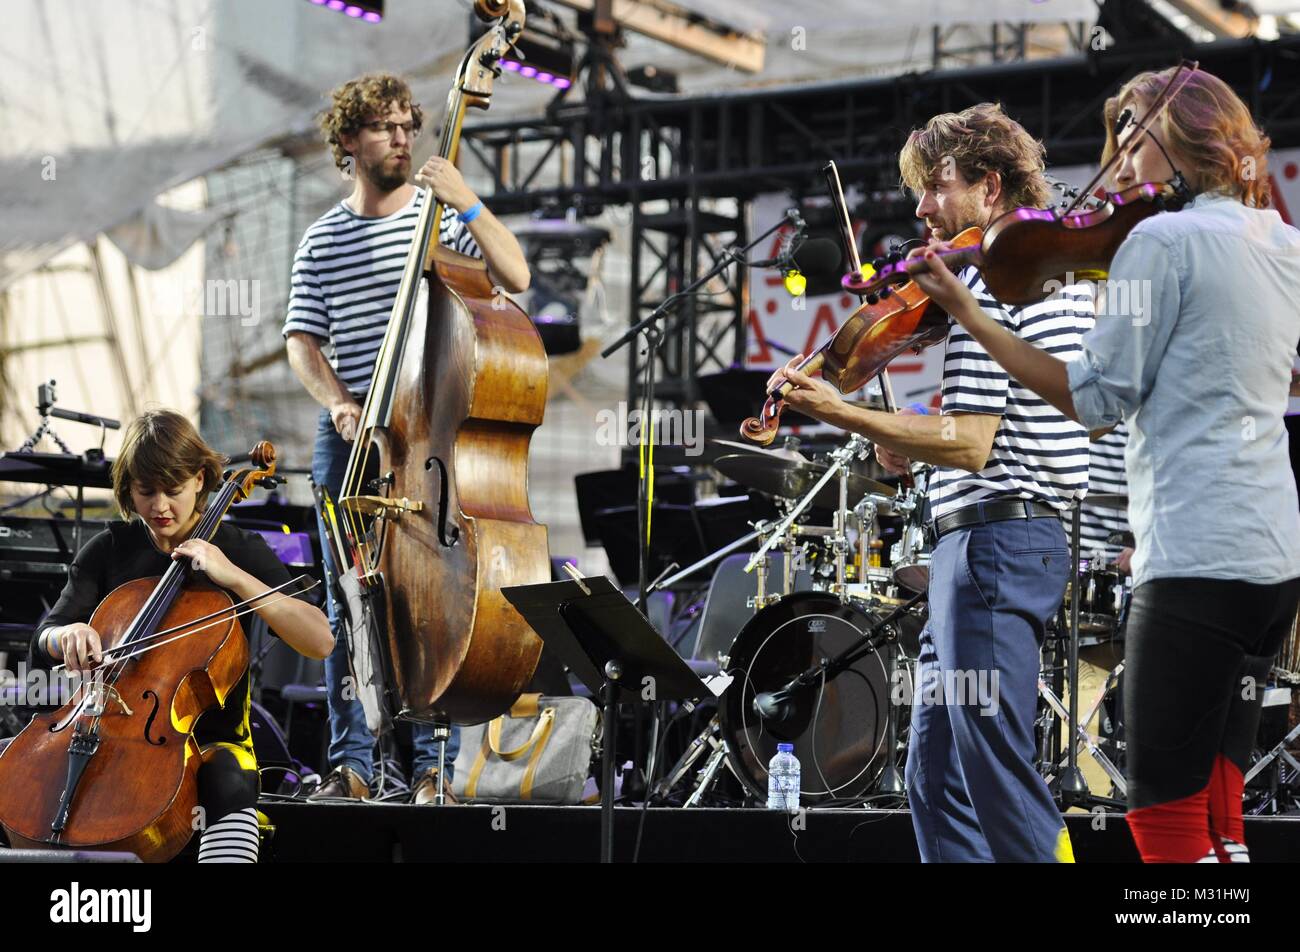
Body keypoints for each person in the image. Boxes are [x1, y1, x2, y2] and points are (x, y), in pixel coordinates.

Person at [906, 67, 1300, 862]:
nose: (1119, 161)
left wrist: (969, 311)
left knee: (1168, 823)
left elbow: (1093, 401)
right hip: (1274, 557)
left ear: (1178, 140)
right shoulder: (1285, 245)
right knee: (1224, 820)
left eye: (1132, 137)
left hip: (1193, 554)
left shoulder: (1160, 239)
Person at [772, 103, 1091, 862]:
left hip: (993, 545)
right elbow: (985, 428)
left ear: (988, 185)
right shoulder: (1028, 268)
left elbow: (973, 444)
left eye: (935, 186)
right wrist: (906, 433)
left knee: (995, 770)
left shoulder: (993, 281)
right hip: (991, 546)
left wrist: (848, 414)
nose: (920, 209)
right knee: (939, 775)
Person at [284, 72, 531, 805]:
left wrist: (470, 203)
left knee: (427, 601)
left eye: (406, 125)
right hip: (357, 437)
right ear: (349, 142)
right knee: (348, 605)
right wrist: (337, 403)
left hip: (425, 433)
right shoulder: (322, 238)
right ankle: (354, 762)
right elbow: (302, 340)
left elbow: (515, 273)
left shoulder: (440, 218)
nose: (402, 137)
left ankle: (430, 765)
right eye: (385, 127)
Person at [20, 409, 333, 862]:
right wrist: (67, 633)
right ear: (128, 488)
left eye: (174, 490)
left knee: (231, 775)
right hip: (102, 728)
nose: (160, 506)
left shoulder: (239, 549)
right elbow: (45, 635)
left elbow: (319, 639)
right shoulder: (108, 550)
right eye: (146, 492)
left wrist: (236, 577)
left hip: (208, 743)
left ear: (202, 479)